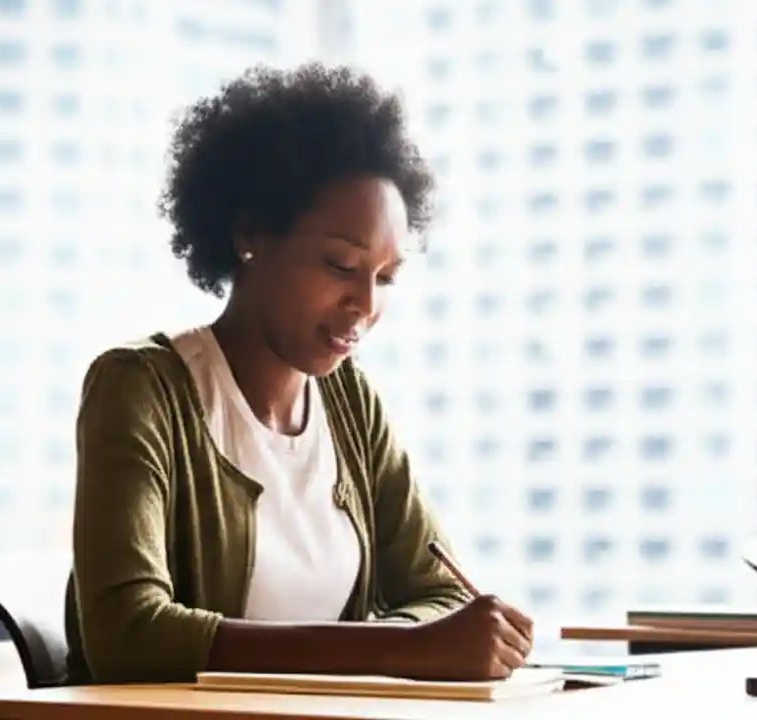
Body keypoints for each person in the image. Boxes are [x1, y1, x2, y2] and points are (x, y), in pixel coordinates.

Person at [64, 63, 534, 685]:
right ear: (250, 236)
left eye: (386, 277)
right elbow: (128, 633)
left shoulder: (349, 402)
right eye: (342, 265)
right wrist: (396, 651)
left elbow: (440, 595)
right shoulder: (141, 388)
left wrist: (426, 642)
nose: (366, 304)